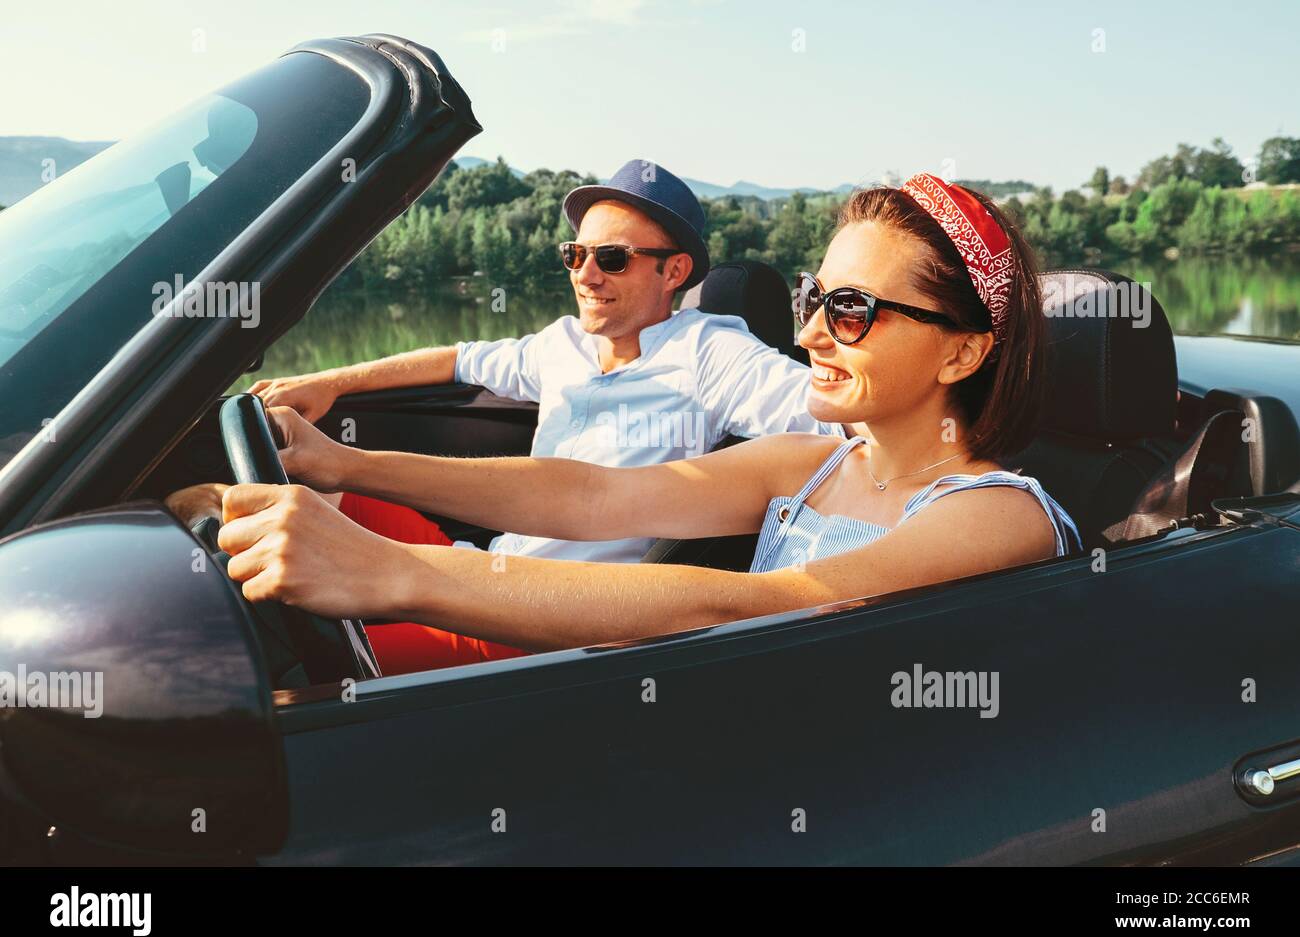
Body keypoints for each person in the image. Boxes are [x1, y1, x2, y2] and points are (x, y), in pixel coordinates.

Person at [214, 173, 1080, 666]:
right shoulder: (808, 465)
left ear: (962, 352)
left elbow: (747, 608)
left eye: (851, 309)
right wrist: (344, 468)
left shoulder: (998, 512)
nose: (811, 330)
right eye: (817, 297)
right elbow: (591, 499)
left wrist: (399, 571)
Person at [169, 159, 840, 671]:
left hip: (536, 618)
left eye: (611, 258)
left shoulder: (711, 352)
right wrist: (328, 381)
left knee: (266, 663)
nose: (586, 273)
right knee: (226, 502)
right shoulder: (563, 346)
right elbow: (456, 359)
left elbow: (835, 416)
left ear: (674, 272)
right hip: (479, 564)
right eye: (575, 254)